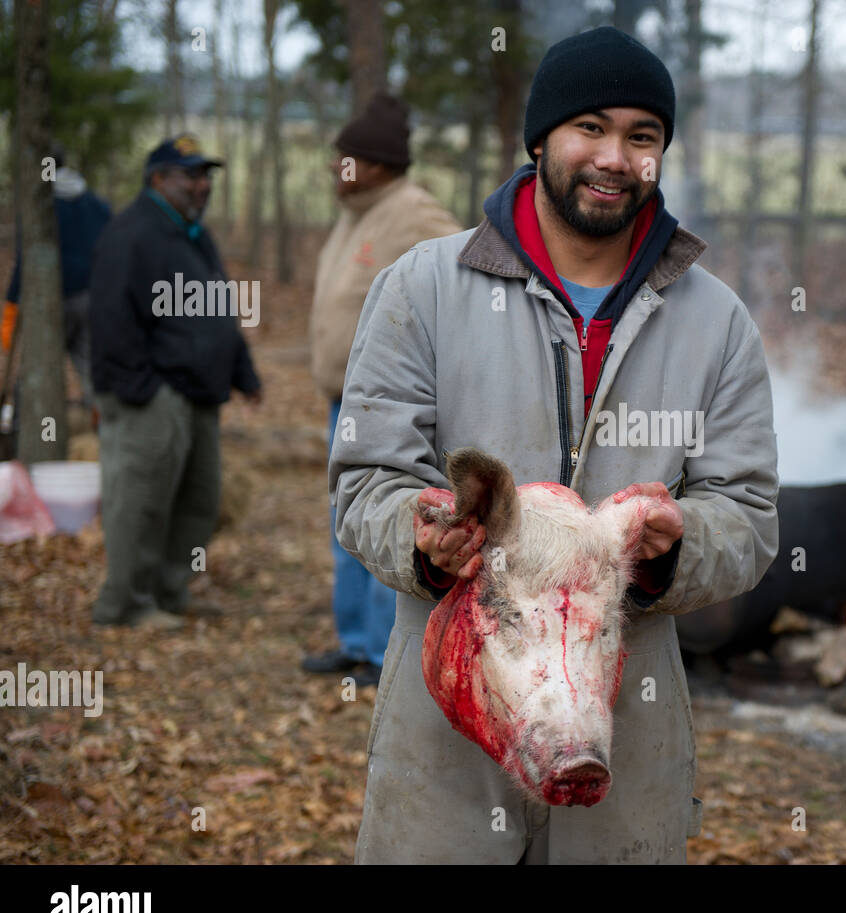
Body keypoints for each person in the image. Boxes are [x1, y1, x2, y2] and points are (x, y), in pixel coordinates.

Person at [329, 25, 779, 864]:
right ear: (540, 139)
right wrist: (422, 538)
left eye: (642, 136)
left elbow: (747, 515)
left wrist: (676, 551)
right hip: (447, 716)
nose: (615, 156)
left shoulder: (715, 322)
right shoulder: (423, 289)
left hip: (626, 728)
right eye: (591, 128)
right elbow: (365, 481)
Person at [302, 92, 463, 688]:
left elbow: (462, 286)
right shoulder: (356, 213)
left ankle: (381, 650)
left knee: (384, 516)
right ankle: (355, 641)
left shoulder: (416, 214)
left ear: (375, 164)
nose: (333, 167)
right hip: (341, 400)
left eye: (345, 158)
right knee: (347, 519)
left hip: (385, 403)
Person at [89, 134, 262, 631]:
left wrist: (241, 371)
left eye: (206, 175)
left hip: (200, 395)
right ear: (158, 179)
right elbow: (108, 319)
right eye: (190, 174)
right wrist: (141, 388)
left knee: (199, 501)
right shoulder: (130, 234)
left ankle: (169, 590)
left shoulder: (192, 234)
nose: (202, 185)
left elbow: (218, 309)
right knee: (141, 502)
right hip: (151, 395)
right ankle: (125, 604)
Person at [2, 143, 114, 404]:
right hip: (92, 299)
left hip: (52, 303)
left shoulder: (39, 208)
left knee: (38, 373)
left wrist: (12, 304)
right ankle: (100, 425)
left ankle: (25, 429)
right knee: (93, 373)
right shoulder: (97, 205)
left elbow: (26, 260)